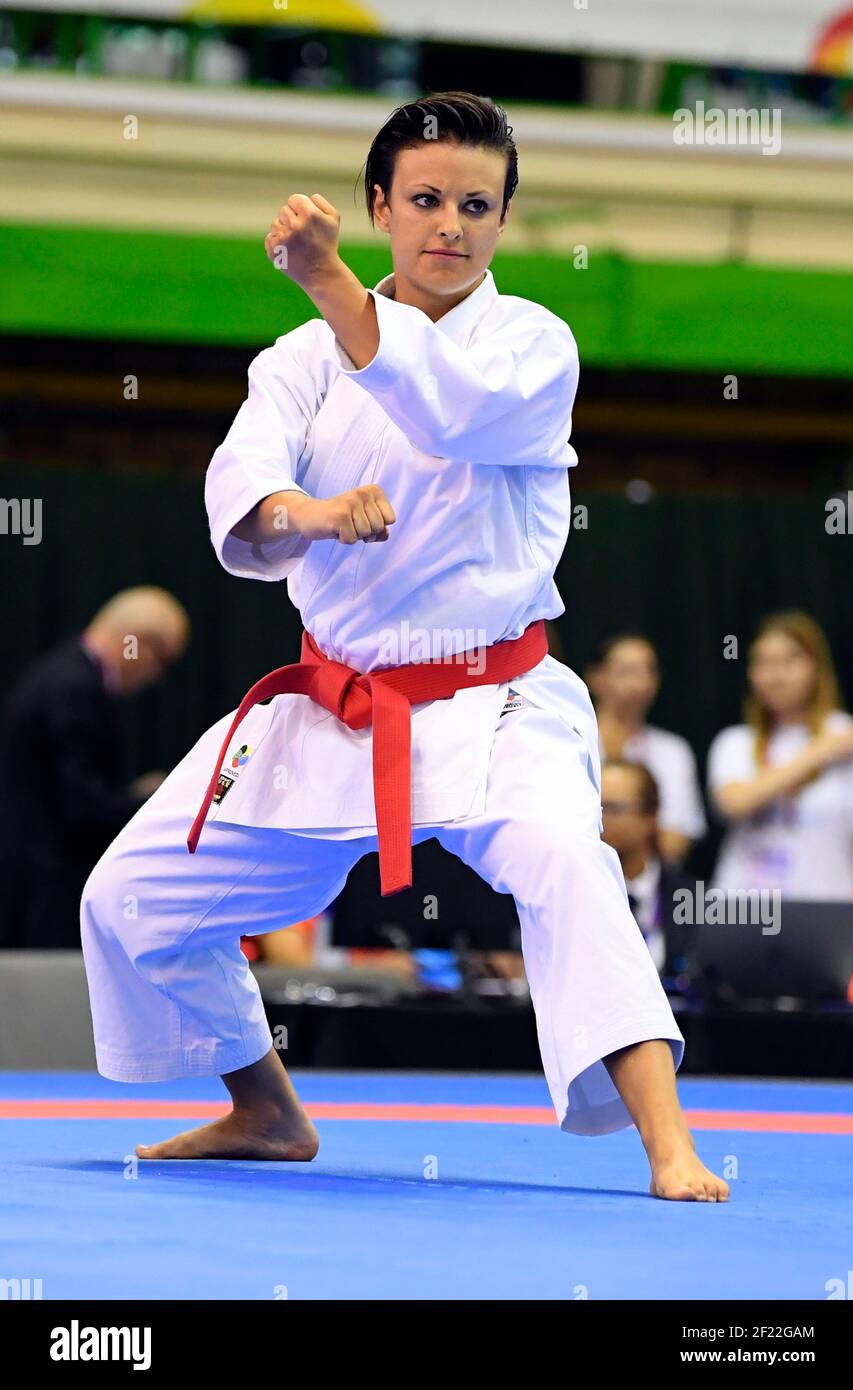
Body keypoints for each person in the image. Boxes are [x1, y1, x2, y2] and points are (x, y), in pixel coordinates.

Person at [80, 92, 727, 1201]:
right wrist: (313, 514)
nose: (451, 225)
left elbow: (446, 407)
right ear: (381, 204)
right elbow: (241, 489)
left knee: (570, 865)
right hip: (335, 704)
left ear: (503, 219)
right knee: (130, 895)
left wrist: (327, 279)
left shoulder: (532, 344)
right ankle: (265, 1108)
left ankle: (669, 1142)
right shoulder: (295, 360)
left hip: (495, 699)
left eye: (477, 205)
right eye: (426, 200)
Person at [0, 586, 188, 948]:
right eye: (162, 661)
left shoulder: (60, 676)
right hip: (44, 901)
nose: (157, 677)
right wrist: (154, 799)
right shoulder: (75, 688)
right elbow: (83, 809)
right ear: (139, 642)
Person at [708, 611, 853, 900]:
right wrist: (818, 752)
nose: (775, 675)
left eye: (790, 661)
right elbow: (736, 802)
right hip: (743, 908)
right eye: (763, 662)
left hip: (828, 909)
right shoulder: (735, 742)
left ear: (816, 666)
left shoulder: (851, 739)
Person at [586, 634, 706, 864]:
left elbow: (676, 839)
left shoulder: (672, 751)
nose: (641, 683)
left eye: (649, 671)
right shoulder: (568, 742)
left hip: (647, 881)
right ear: (595, 677)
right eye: (627, 671)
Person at [600, 760, 697, 984]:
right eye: (596, 807)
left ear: (650, 817)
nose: (599, 819)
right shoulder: (570, 893)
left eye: (612, 809)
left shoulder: (690, 900)